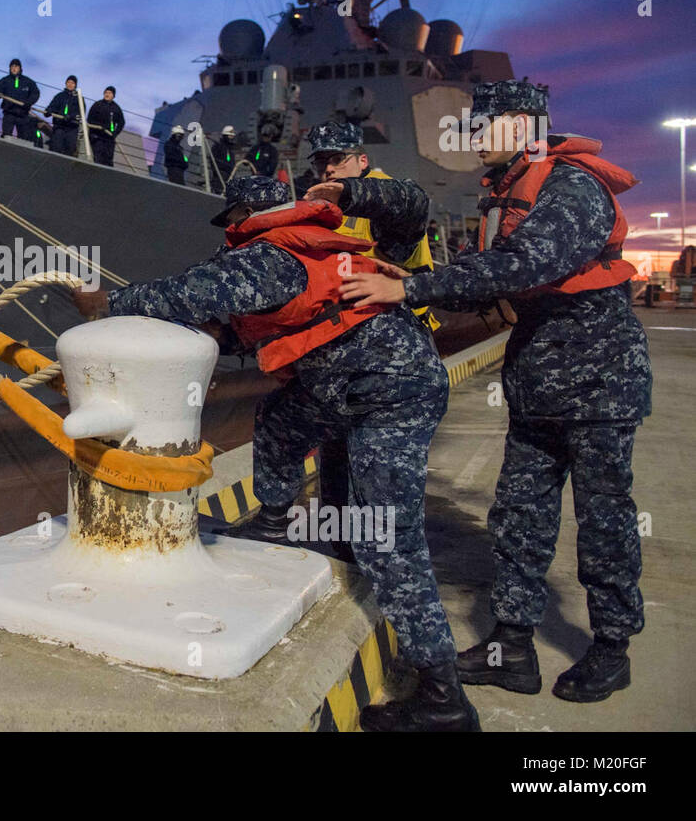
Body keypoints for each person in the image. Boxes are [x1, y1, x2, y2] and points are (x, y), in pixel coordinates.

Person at [71, 175, 476, 731]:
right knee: (281, 422)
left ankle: (443, 697)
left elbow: (190, 292)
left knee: (387, 536)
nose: (229, 231)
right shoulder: (293, 255)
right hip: (342, 386)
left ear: (248, 214)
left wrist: (108, 301)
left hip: (391, 394)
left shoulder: (271, 255)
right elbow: (262, 323)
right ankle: (276, 521)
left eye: (232, 218)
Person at [341, 79, 652, 705]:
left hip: (598, 386)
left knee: (604, 518)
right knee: (518, 515)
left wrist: (410, 292)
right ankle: (512, 646)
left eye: (484, 124)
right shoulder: (510, 193)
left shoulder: (570, 187)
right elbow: (495, 283)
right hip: (539, 382)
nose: (472, 136)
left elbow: (529, 264)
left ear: (523, 124)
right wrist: (423, 278)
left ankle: (612, 647)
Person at [302, 120, 438, 562]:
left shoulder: (387, 196)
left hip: (397, 353)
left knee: (379, 467)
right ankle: (343, 557)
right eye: (322, 162)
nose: (328, 169)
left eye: (337, 159)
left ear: (362, 160)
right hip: (346, 349)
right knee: (336, 457)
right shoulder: (328, 205)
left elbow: (408, 206)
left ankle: (382, 562)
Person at [0, 59, 41, 143]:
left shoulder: (28, 82)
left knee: (23, 139)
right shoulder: (5, 80)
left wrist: (29, 102)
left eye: (16, 66)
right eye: (12, 66)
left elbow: (35, 93)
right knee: (6, 136)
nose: (14, 68)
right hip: (9, 113)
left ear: (20, 68)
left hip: (23, 114)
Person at [86, 86, 125, 167]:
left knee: (108, 160)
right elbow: (89, 119)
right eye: (106, 92)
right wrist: (99, 127)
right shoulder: (97, 105)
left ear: (113, 96)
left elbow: (121, 122)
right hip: (97, 137)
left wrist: (115, 133)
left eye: (109, 93)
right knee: (98, 159)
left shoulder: (116, 108)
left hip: (109, 139)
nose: (107, 94)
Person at [44, 76, 82, 156]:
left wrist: (71, 117)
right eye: (68, 82)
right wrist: (48, 111)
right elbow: (52, 106)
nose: (70, 84)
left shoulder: (79, 99)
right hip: (59, 126)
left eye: (72, 83)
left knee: (69, 150)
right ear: (65, 83)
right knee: (56, 148)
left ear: (75, 85)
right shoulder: (60, 96)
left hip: (72, 129)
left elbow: (80, 113)